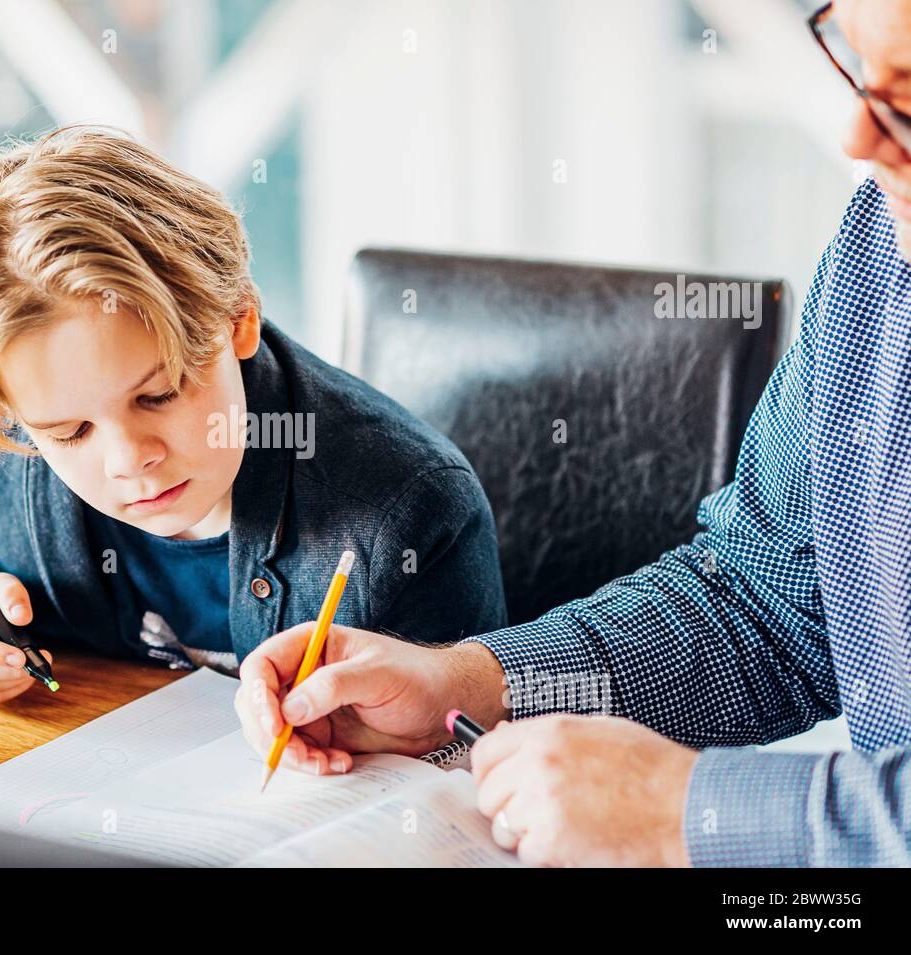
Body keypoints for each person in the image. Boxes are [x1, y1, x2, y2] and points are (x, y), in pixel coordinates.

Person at [235, 0, 911, 866]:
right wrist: (474, 682)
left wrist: (688, 812)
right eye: (859, 58)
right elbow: (761, 608)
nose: (858, 133)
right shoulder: (874, 254)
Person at [0, 126, 506, 703]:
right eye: (70, 432)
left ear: (238, 317)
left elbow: (461, 761)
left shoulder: (412, 513)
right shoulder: (1, 432)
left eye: (158, 394)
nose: (130, 460)